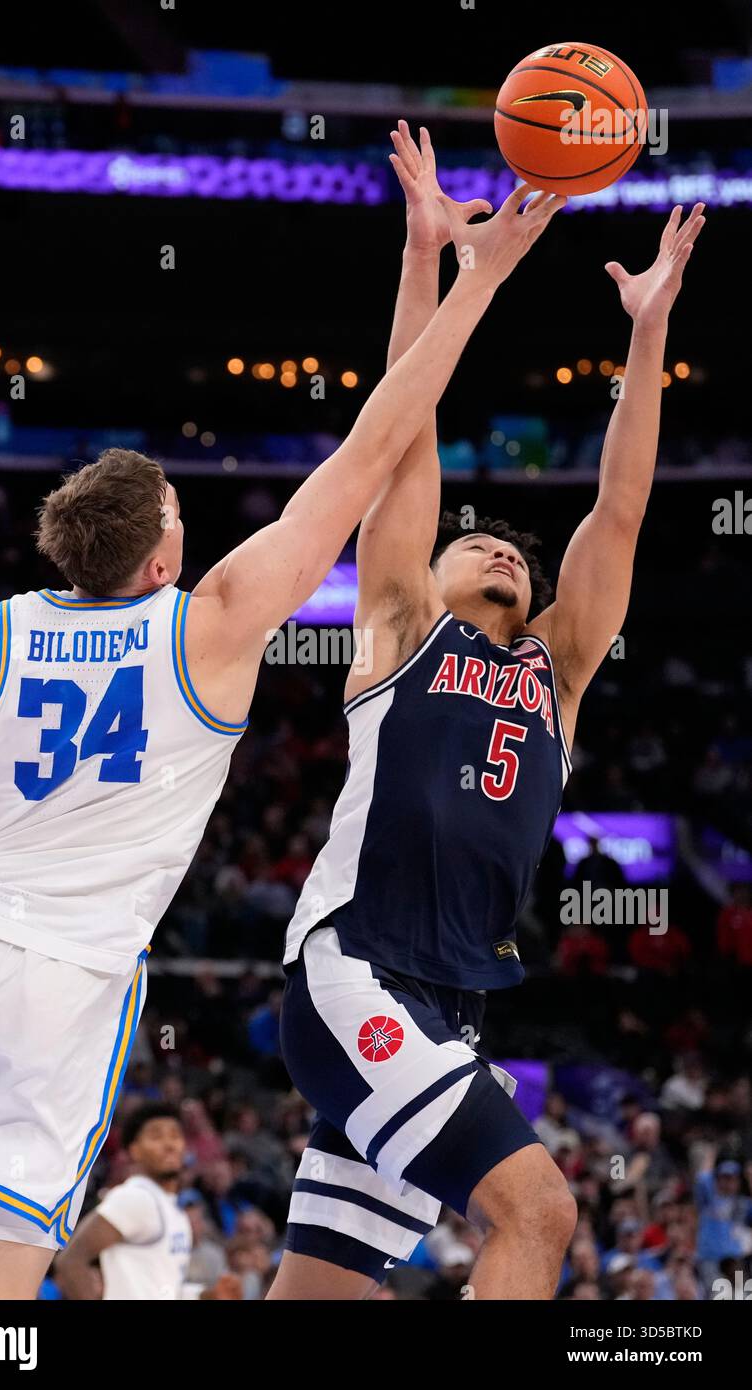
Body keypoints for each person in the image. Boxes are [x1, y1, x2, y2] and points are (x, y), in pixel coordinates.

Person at [0, 130, 563, 1300]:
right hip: (72, 981)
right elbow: (376, 443)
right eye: (178, 519)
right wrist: (474, 273)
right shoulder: (213, 619)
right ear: (156, 555)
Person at [268, 121, 705, 1300]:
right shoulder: (402, 625)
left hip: (452, 1000)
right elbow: (399, 441)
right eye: (480, 543)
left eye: (516, 551)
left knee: (321, 1294)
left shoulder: (558, 668)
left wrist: (648, 328)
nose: (502, 553)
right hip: (353, 970)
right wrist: (427, 261)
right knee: (539, 1206)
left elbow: (617, 510)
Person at [56, 1105, 192, 1300]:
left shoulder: (174, 1208)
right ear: (134, 1151)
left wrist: (206, 1295)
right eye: (156, 1137)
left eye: (175, 1135)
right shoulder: (136, 1197)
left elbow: (165, 1285)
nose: (169, 1144)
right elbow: (71, 1261)